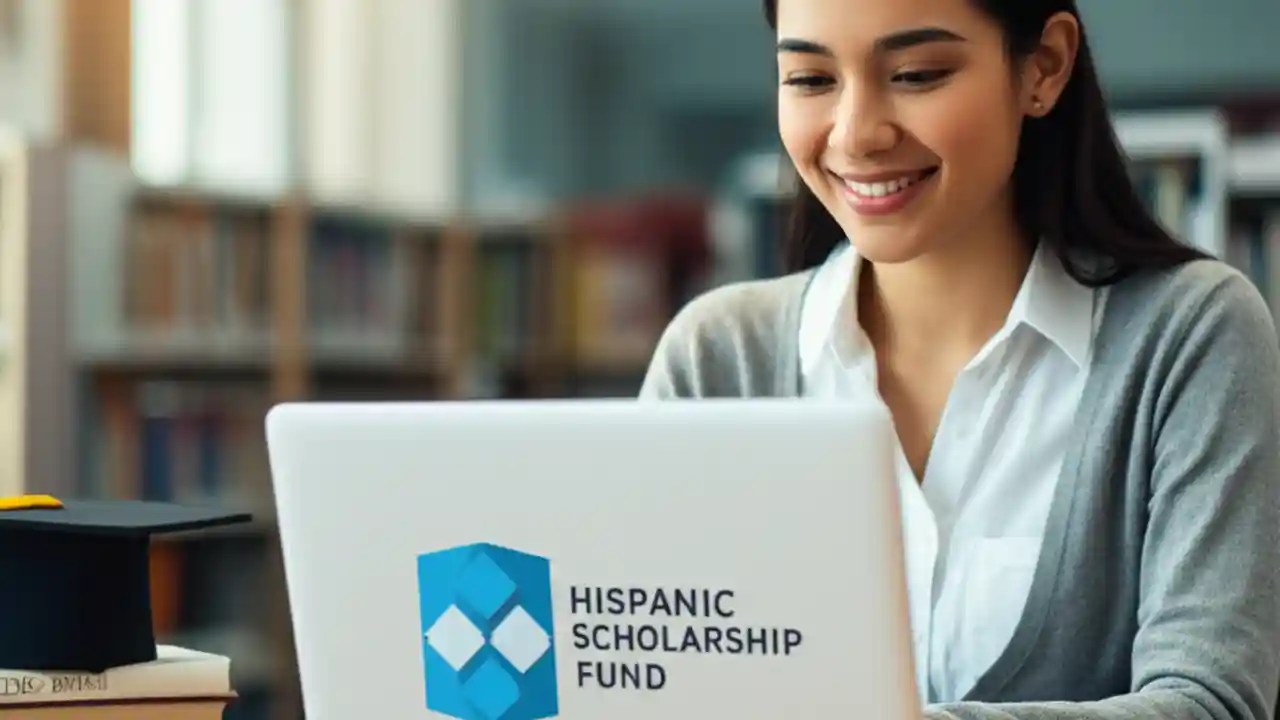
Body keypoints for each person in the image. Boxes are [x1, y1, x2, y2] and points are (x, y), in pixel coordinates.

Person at [639, 0, 1280, 718]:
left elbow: (1211, 704)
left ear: (1044, 66)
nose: (856, 134)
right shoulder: (717, 362)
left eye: (915, 73)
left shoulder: (1188, 338)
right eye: (811, 79)